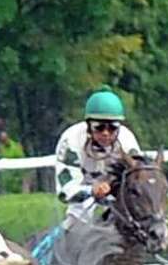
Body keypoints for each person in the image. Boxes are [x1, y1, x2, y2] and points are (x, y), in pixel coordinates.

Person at [52, 86, 145, 223]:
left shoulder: (127, 141)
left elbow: (139, 182)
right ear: (89, 126)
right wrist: (92, 191)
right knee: (76, 220)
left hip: (118, 205)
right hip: (82, 207)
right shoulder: (71, 140)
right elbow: (65, 192)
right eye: (99, 127)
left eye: (113, 127)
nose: (106, 133)